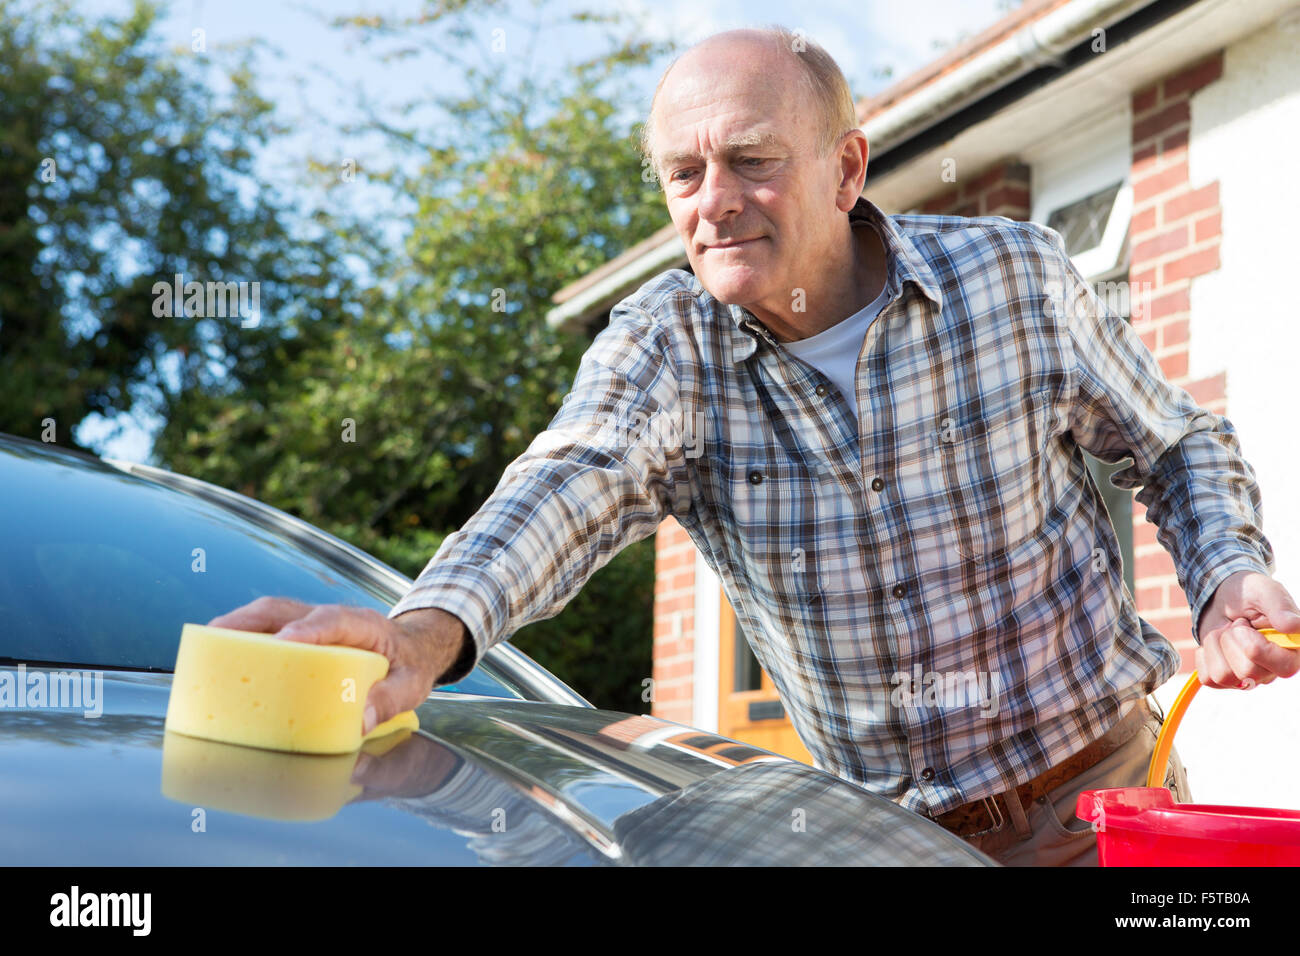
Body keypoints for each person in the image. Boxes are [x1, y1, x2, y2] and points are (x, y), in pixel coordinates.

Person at [211, 26, 1300, 865]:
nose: (714, 203)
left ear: (845, 166)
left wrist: (1223, 575)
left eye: (749, 160)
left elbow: (1178, 443)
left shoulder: (1012, 277)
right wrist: (421, 633)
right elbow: (563, 485)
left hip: (1102, 803)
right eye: (683, 173)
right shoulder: (663, 342)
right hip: (877, 838)